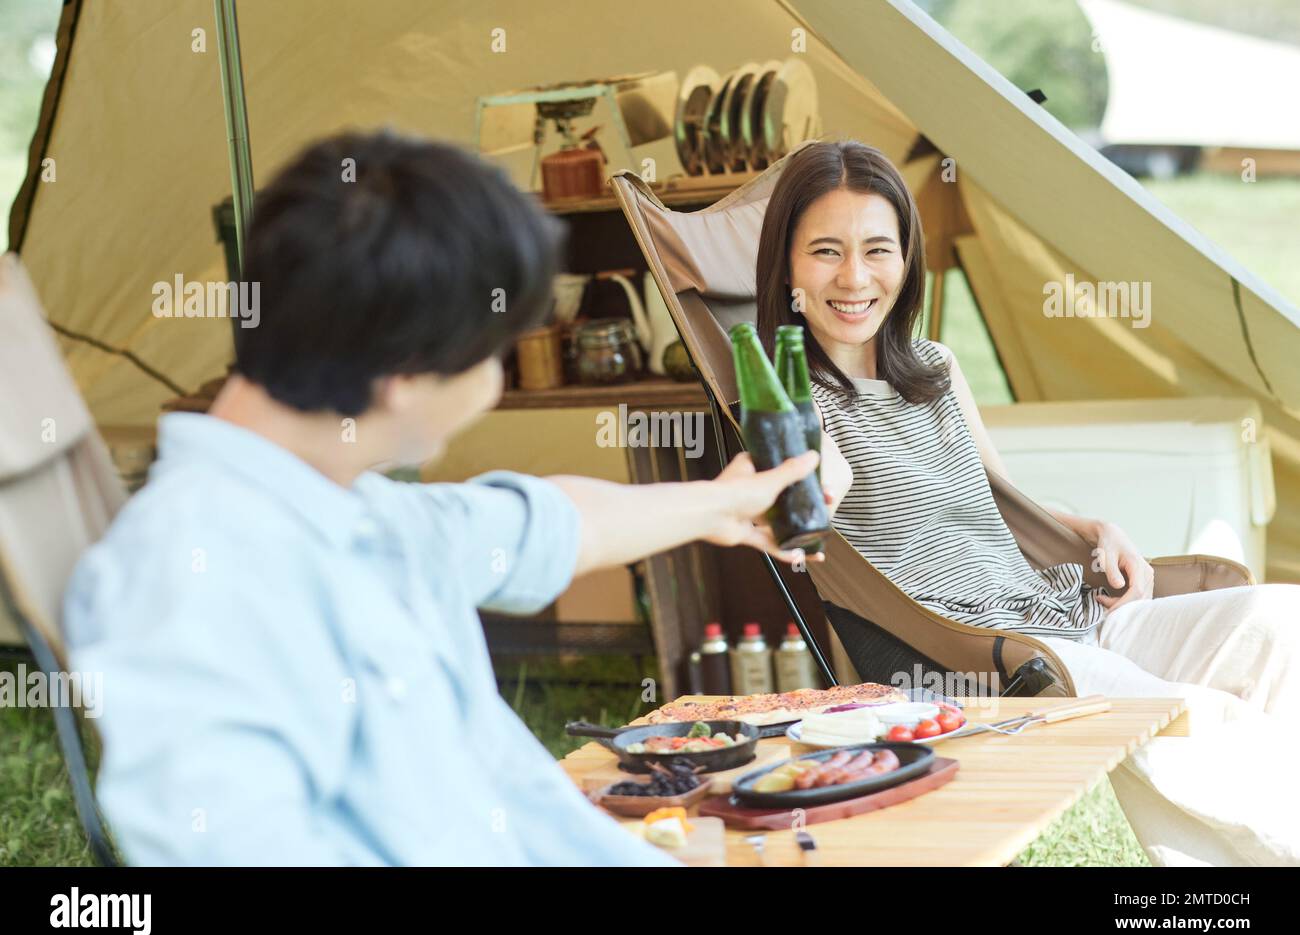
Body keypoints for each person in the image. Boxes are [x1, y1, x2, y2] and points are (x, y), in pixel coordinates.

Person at [61, 130, 851, 866]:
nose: (494, 383)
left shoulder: (342, 505)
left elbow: (545, 524)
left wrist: (727, 504)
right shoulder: (189, 583)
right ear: (404, 373)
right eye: (491, 354)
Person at [754, 138, 1300, 866]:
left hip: (1059, 613)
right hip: (987, 658)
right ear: (786, 267)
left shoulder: (938, 371)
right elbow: (815, 481)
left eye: (877, 249)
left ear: (907, 259)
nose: (855, 277)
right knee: (1193, 719)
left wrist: (1098, 530)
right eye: (825, 251)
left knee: (1276, 620)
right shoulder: (797, 402)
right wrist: (803, 471)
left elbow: (1004, 504)